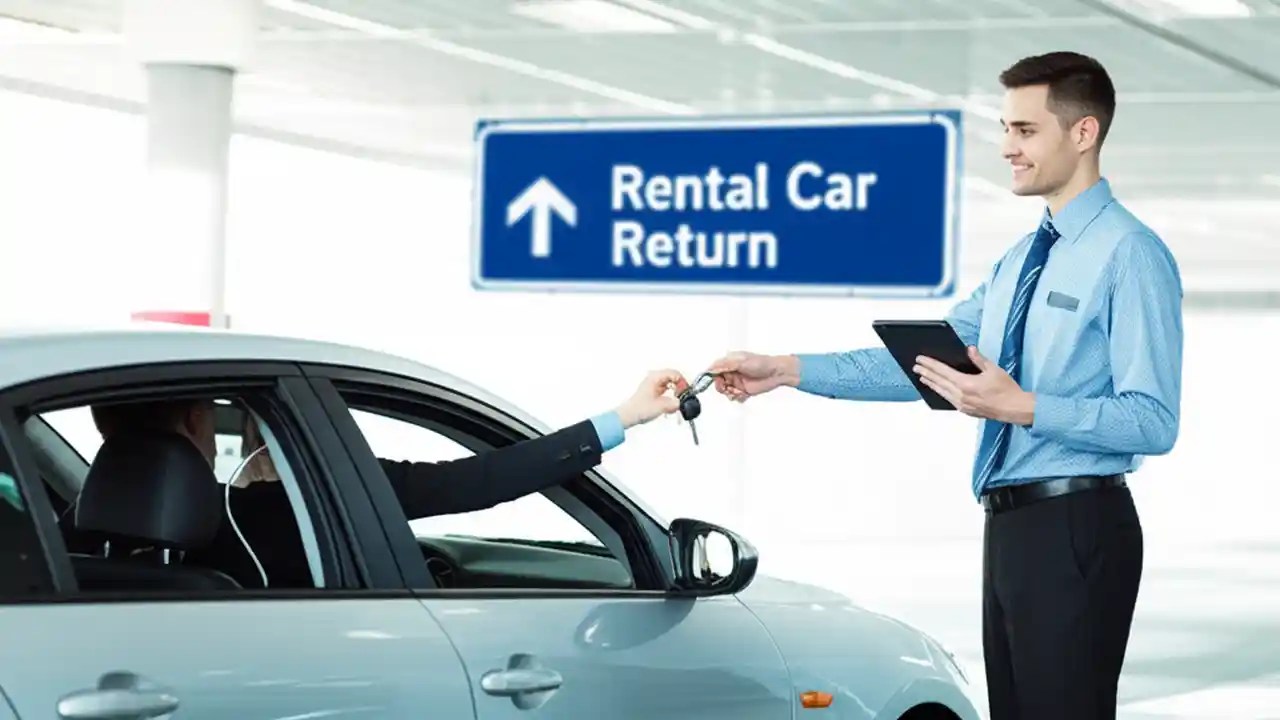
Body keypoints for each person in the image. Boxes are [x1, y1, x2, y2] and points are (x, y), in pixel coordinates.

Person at [705, 51, 1182, 720]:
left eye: (1024, 130)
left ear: (1084, 133)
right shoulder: (1021, 258)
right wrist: (786, 369)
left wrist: (1022, 406)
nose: (1006, 148)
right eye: (1005, 129)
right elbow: (925, 363)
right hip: (1011, 526)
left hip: (1078, 522)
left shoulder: (1130, 254)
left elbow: (1153, 419)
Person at [87, 369, 691, 586]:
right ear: (198, 420)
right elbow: (471, 481)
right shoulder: (278, 512)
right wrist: (626, 417)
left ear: (100, 423)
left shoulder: (66, 541)